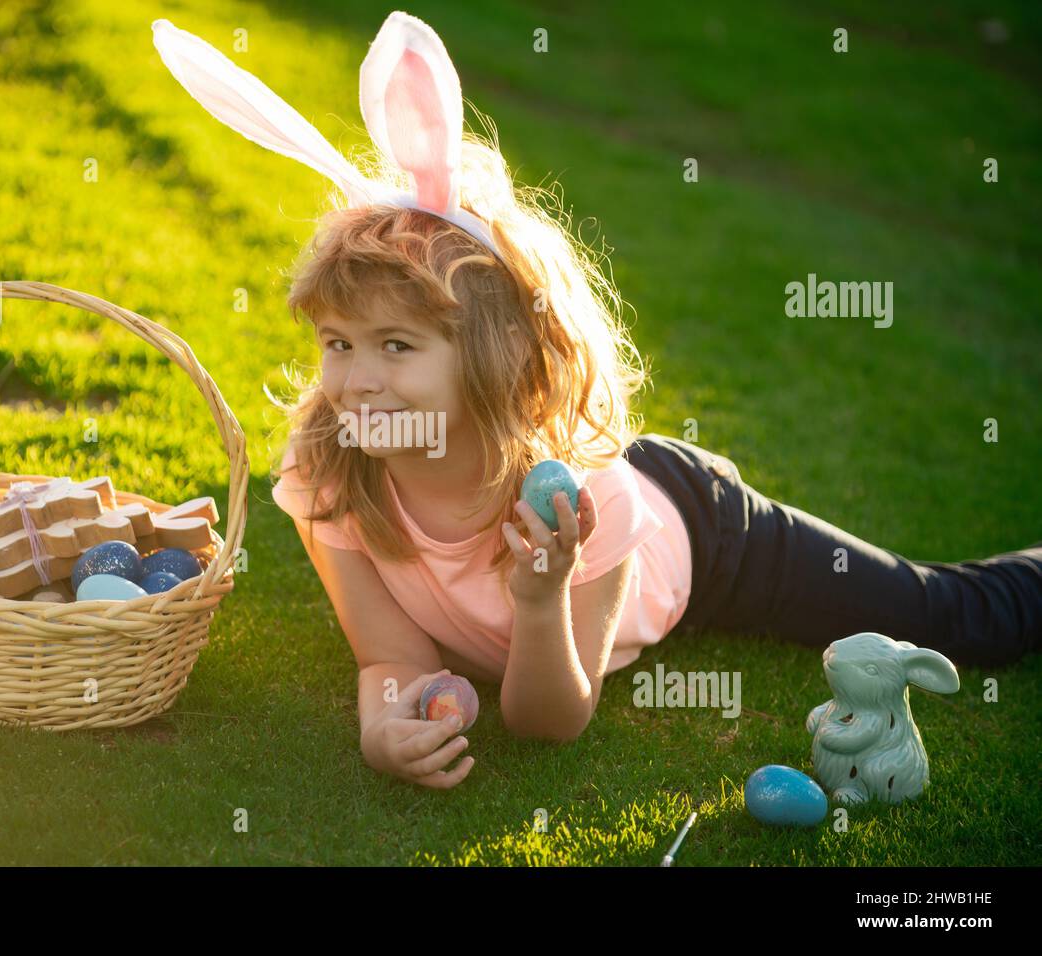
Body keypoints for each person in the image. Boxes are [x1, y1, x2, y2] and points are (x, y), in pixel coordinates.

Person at [153, 12, 1042, 791]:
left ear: (493, 357)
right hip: (611, 511)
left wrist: (541, 604)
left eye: (398, 345)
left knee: (942, 616)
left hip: (703, 534)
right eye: (338, 344)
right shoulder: (327, 476)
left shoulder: (586, 494)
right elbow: (393, 659)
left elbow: (549, 722)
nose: (356, 379)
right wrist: (386, 723)